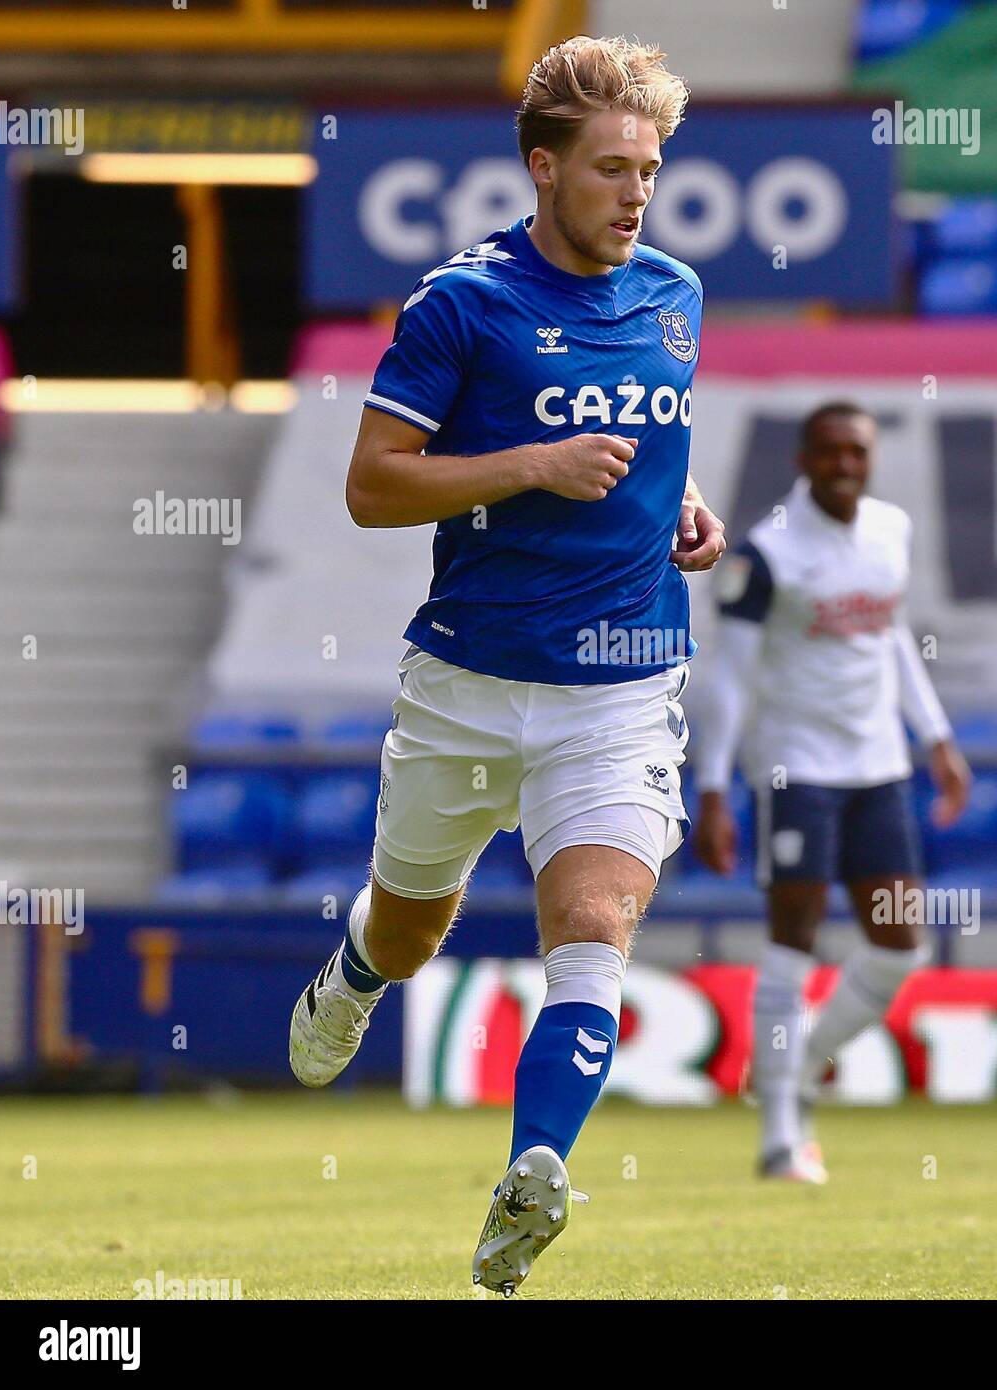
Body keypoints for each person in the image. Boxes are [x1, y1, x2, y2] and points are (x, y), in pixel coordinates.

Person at [288, 35, 725, 1295]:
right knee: (414, 925)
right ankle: (358, 970)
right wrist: (531, 466)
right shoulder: (462, 305)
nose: (636, 194)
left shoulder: (675, 297)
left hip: (624, 684)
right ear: (543, 167)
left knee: (592, 929)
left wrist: (681, 506)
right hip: (469, 682)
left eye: (650, 169)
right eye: (611, 169)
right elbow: (375, 486)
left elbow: (642, 438)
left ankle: (534, 1173)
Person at [690, 402, 970, 1182]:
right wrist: (713, 791)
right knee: (793, 942)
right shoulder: (766, 556)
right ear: (803, 460)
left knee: (899, 945)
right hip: (795, 771)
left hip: (878, 769)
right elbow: (730, 678)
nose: (845, 462)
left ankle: (797, 1067)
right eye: (830, 451)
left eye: (857, 450)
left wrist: (936, 737)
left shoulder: (889, 530)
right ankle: (781, 1134)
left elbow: (893, 639)